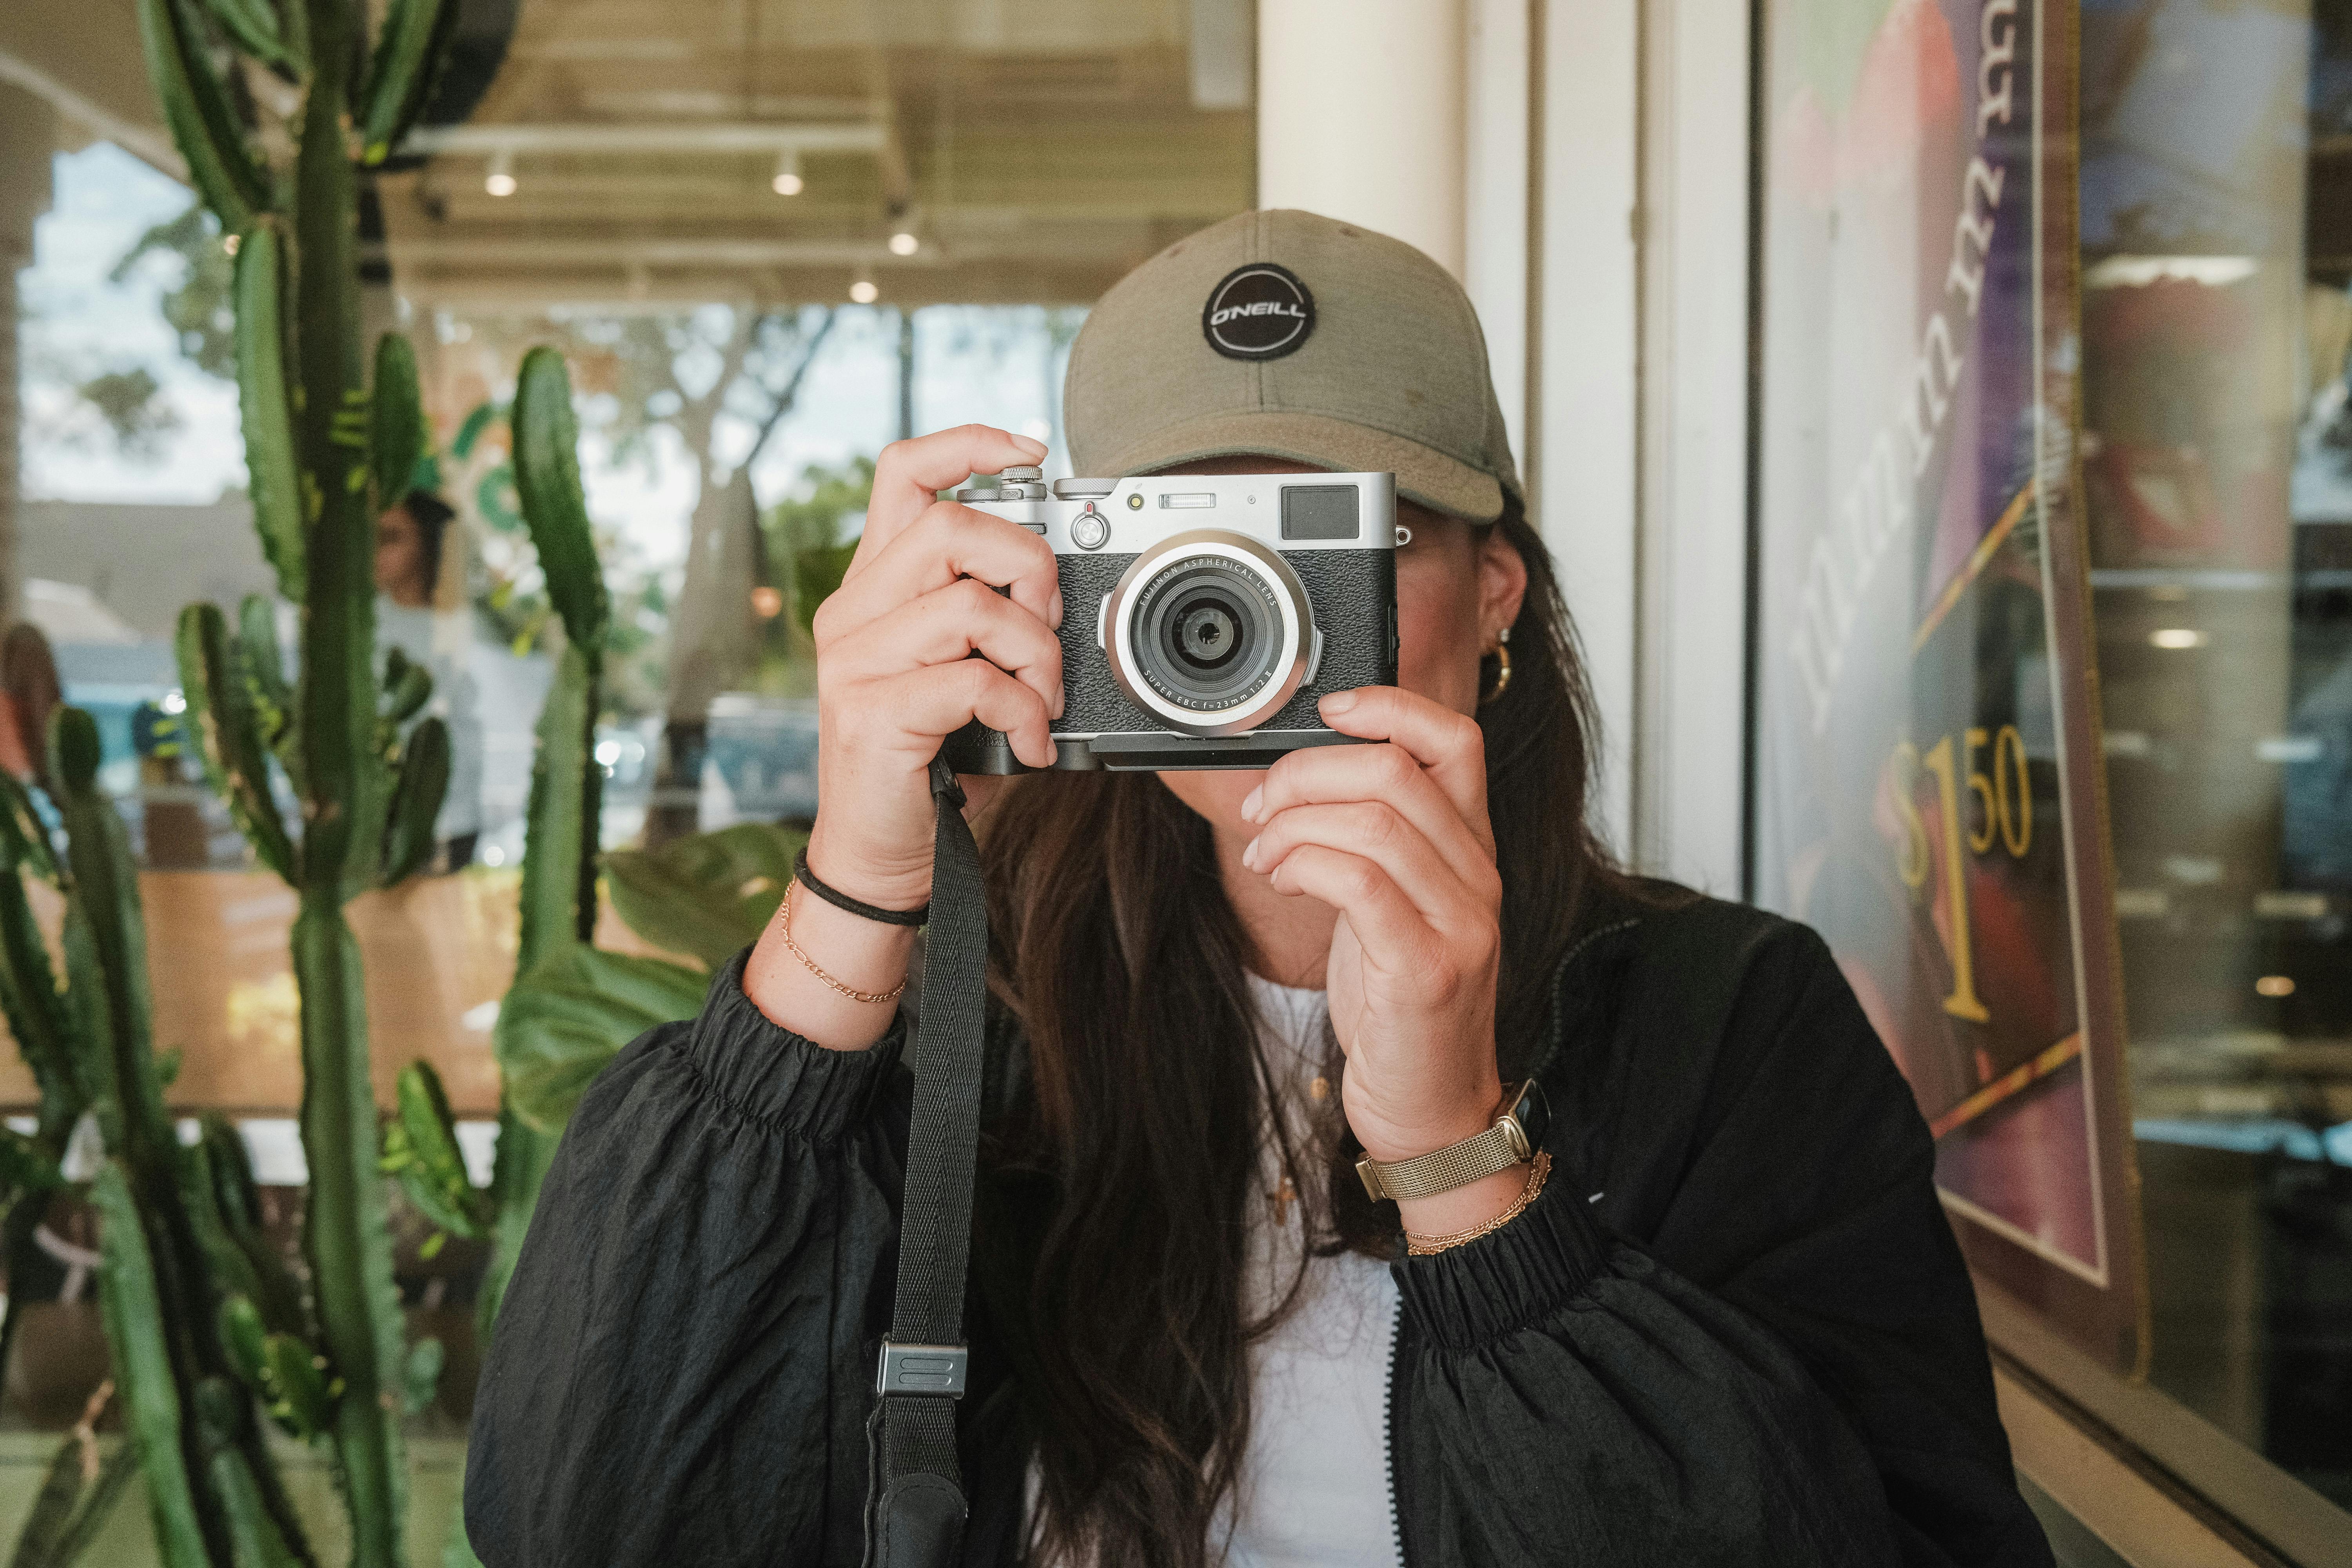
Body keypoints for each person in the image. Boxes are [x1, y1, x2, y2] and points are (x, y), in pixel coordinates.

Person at [465, 211, 2053, 1566]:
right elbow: (592, 1520)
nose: (1247, 618)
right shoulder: (974, 1007)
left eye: (1336, 539)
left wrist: (1460, 1159)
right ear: (1073, 592)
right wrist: (865, 878)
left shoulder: (1733, 1026)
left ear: (1494, 593)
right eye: (1187, 550)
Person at [374, 488, 484, 869]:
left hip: (452, 819)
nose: (376, 551)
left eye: (391, 538)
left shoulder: (464, 627)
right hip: (375, 818)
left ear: (428, 543)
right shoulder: (361, 625)